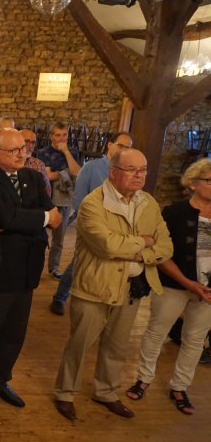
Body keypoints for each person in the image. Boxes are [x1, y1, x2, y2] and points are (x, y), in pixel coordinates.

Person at [53, 148, 172, 421]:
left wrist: (140, 252)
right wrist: (144, 241)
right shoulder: (94, 204)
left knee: (117, 346)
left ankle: (106, 392)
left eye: (143, 170)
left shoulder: (148, 203)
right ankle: (65, 392)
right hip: (95, 285)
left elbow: (165, 245)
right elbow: (106, 245)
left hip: (132, 287)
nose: (139, 176)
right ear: (113, 171)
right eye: (132, 170)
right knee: (80, 344)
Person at [0, 129, 61, 409]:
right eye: (14, 150)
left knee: (13, 334)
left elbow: (54, 217)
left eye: (24, 148)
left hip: (29, 269)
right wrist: (40, 219)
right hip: (0, 271)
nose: (22, 154)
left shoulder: (32, 176)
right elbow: (3, 216)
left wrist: (25, 221)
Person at [125, 159, 211, 415]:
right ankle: (144, 378)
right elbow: (160, 254)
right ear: (192, 184)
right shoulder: (174, 213)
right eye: (209, 180)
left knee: (195, 339)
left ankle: (180, 386)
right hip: (175, 284)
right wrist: (188, 283)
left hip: (207, 291)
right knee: (156, 332)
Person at [50, 132, 134, 315]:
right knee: (80, 261)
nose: (124, 150)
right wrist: (90, 224)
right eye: (121, 145)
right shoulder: (91, 168)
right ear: (109, 145)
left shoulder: (127, 172)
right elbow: (79, 199)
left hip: (116, 228)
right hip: (92, 226)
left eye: (128, 147)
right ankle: (60, 297)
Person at [35, 121, 81, 278]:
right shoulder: (43, 153)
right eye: (57, 135)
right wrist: (65, 173)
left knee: (59, 237)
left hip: (64, 198)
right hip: (46, 197)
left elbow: (77, 174)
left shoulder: (73, 152)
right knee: (40, 235)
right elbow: (47, 175)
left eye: (64, 135)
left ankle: (53, 268)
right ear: (51, 136)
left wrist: (66, 152)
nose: (61, 138)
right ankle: (36, 267)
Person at [20, 128, 51, 199]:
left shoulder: (39, 164)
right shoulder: (8, 162)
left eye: (33, 142)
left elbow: (47, 190)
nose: (30, 146)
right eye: (26, 141)